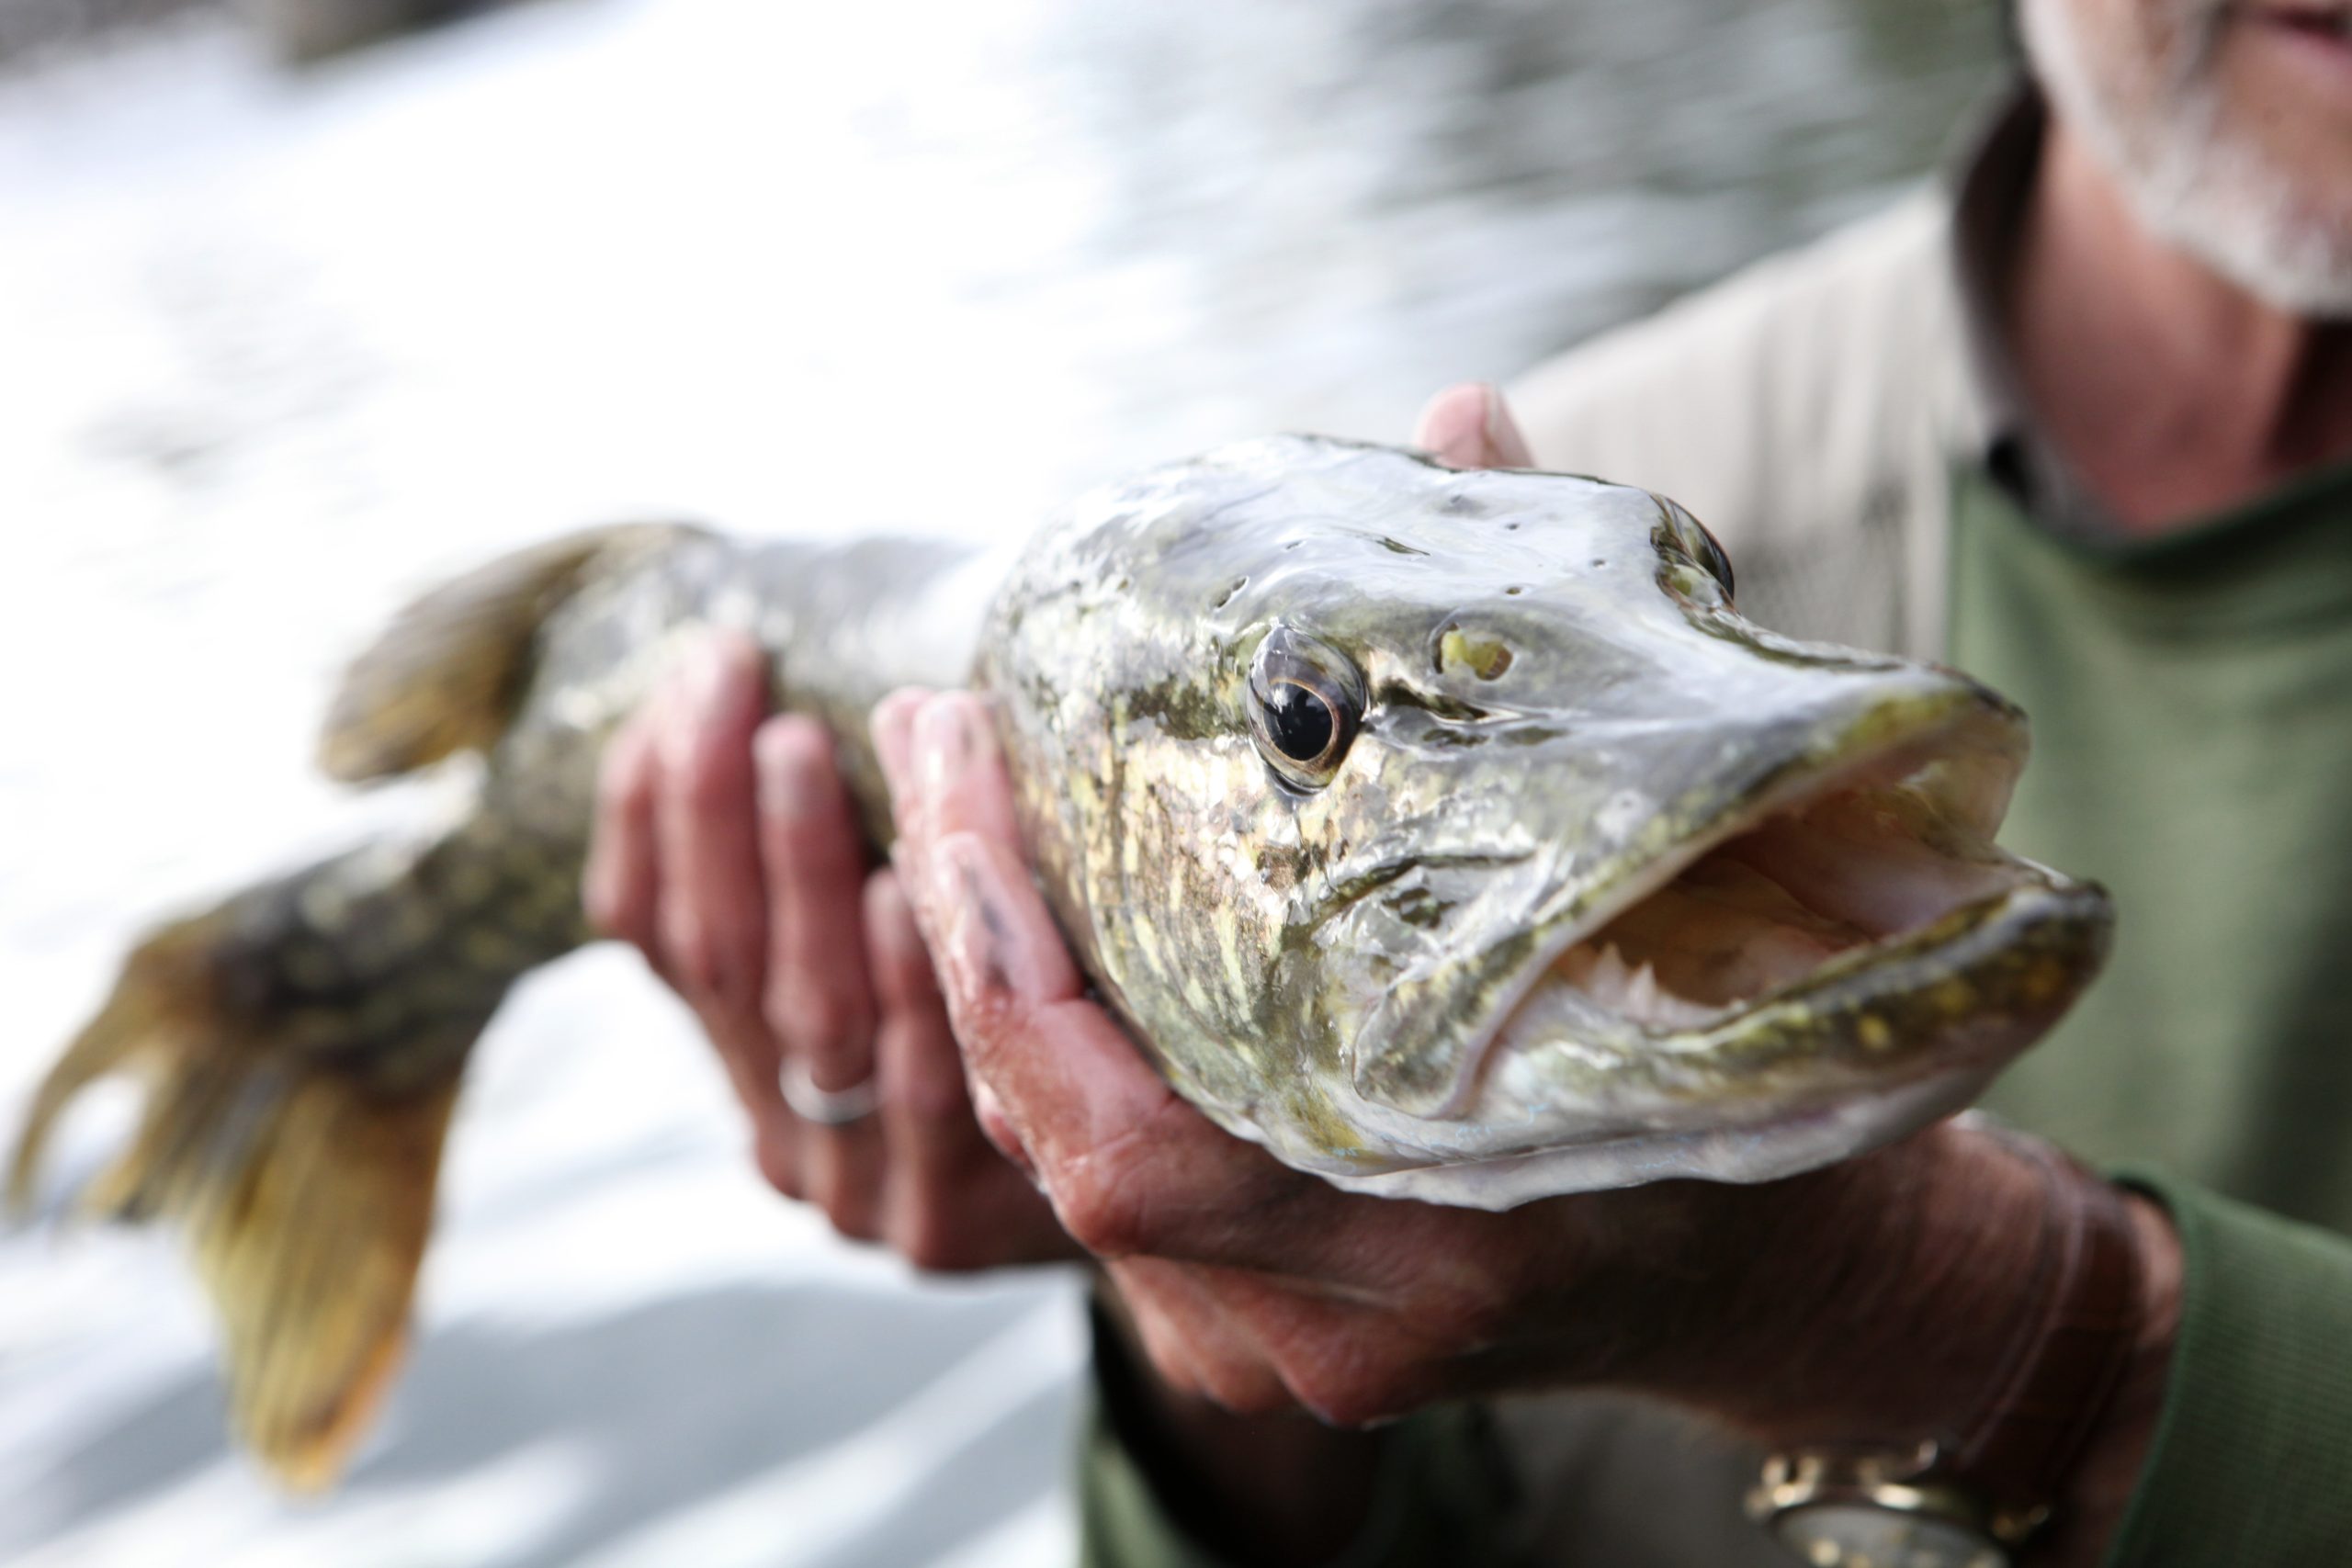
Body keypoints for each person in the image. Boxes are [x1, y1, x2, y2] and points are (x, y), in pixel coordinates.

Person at [583, 0, 2352, 1562]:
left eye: (1683, 590)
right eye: (1306, 721)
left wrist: (1953, 1318)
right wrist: (1196, 1295)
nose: (1677, 641)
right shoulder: (1561, 478)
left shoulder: (1591, 538)